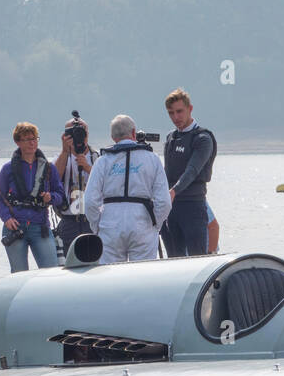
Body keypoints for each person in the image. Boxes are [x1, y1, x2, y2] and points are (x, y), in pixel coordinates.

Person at [84, 114, 171, 264]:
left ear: (112, 137)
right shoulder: (152, 159)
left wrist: (97, 226)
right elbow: (164, 202)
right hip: (142, 222)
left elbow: (90, 201)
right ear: (133, 132)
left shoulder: (102, 161)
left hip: (110, 222)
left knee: (111, 277)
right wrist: (156, 224)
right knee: (143, 277)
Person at [0, 122, 67, 272]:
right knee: (18, 275)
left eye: (35, 138)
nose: (32, 143)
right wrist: (6, 218)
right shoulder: (7, 169)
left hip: (40, 227)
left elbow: (60, 195)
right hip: (15, 228)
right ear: (18, 142)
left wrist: (50, 197)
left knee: (51, 272)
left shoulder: (48, 168)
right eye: (27, 139)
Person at [161, 89, 217, 257]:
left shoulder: (203, 138)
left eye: (179, 111)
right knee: (174, 260)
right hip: (171, 208)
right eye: (171, 113)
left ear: (190, 109)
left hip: (193, 206)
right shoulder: (171, 137)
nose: (175, 117)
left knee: (196, 258)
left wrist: (174, 191)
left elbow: (192, 171)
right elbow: (166, 172)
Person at [53, 114, 98, 262]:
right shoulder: (60, 158)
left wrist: (87, 167)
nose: (78, 136)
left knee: (95, 263)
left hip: (93, 220)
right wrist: (65, 151)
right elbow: (53, 181)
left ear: (88, 134)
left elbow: (106, 184)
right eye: (71, 133)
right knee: (68, 264)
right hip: (69, 219)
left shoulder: (97, 158)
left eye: (82, 132)